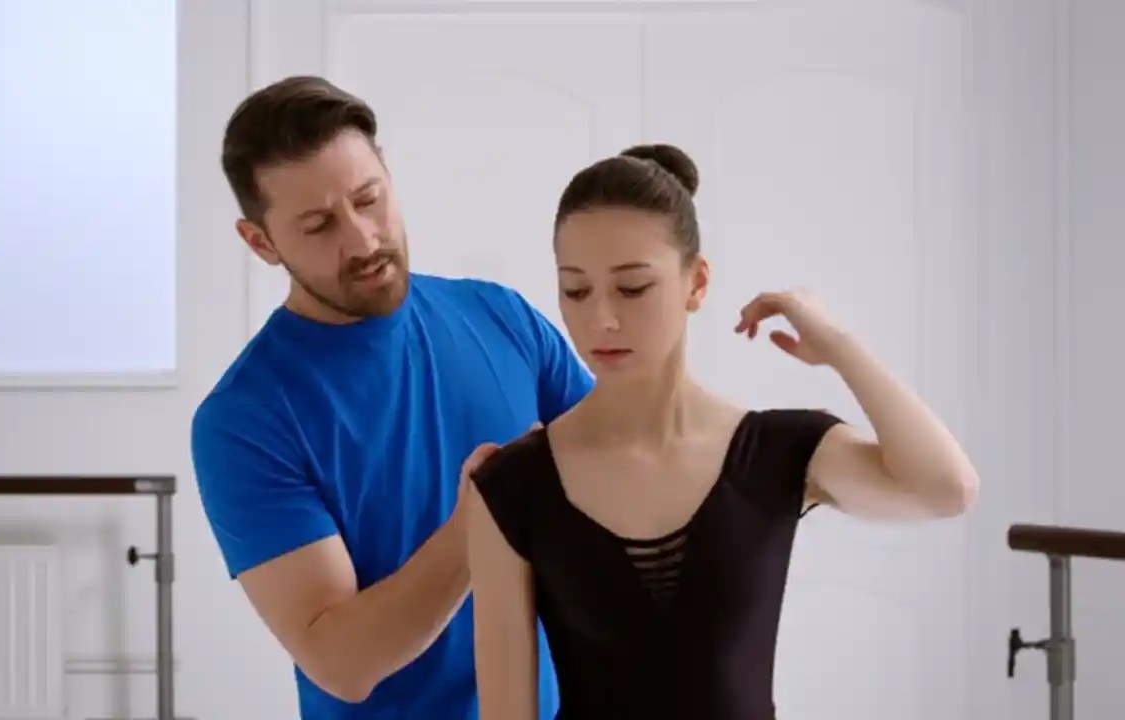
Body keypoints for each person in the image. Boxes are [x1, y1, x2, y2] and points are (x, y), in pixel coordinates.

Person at [466, 143, 980, 719]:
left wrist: (838, 346)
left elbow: (946, 489)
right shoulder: (513, 485)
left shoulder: (779, 453)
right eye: (576, 290)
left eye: (633, 288)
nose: (601, 318)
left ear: (696, 283)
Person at [189, 75, 588, 719]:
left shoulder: (501, 317)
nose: (363, 239)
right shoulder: (244, 420)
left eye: (369, 199)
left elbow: (628, 463)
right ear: (260, 242)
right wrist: (473, 528)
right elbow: (343, 663)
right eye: (319, 225)